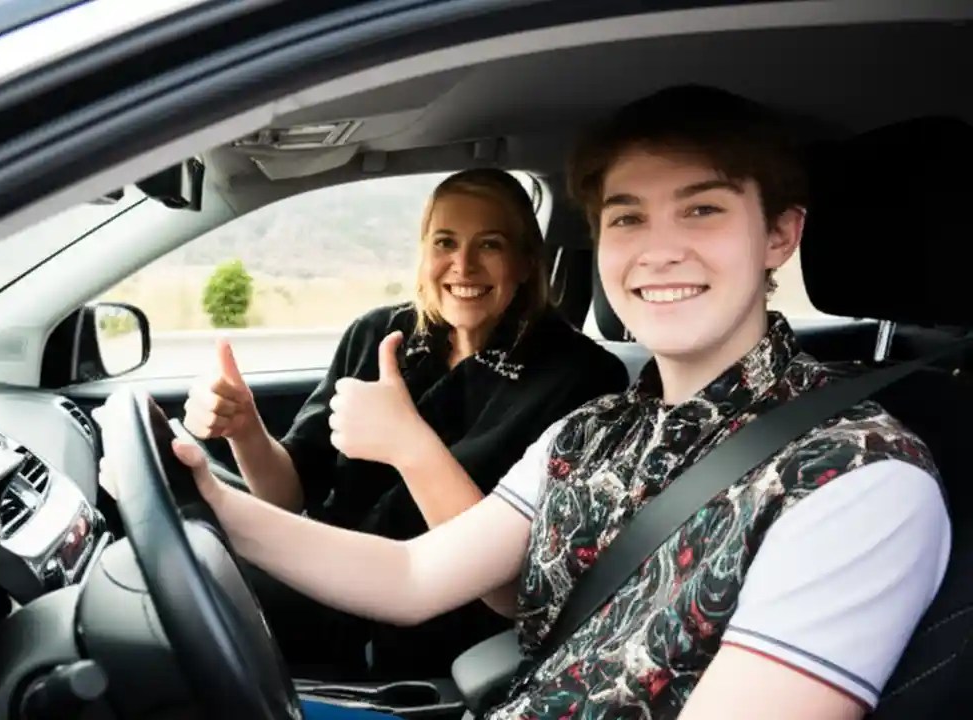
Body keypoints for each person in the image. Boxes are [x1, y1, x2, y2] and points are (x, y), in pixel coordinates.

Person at [153, 85, 951, 718]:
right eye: (626, 217)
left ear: (778, 237)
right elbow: (411, 574)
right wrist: (205, 496)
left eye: (702, 210)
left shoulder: (858, 477)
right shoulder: (594, 429)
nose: (659, 249)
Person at [181, 168, 630, 678]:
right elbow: (286, 494)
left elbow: (521, 582)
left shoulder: (581, 377)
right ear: (424, 253)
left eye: (490, 244)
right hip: (326, 583)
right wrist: (244, 429)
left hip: (438, 637)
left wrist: (407, 444)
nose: (463, 264)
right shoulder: (379, 333)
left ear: (527, 262)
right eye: (445, 242)